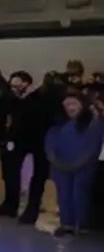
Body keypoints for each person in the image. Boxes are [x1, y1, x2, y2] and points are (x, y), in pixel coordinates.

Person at [45, 92, 103, 237]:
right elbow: (50, 142)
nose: (70, 107)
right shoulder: (58, 123)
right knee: (63, 195)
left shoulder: (93, 123)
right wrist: (54, 159)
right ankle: (67, 224)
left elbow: (93, 146)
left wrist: (80, 163)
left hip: (84, 167)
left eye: (74, 104)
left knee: (79, 195)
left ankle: (81, 224)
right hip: (61, 166)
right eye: (67, 104)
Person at [0, 71, 51, 224]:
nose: (14, 88)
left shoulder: (39, 98)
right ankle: (10, 204)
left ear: (26, 83)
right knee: (10, 170)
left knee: (38, 176)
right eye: (12, 85)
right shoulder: (14, 99)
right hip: (18, 140)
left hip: (38, 140)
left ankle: (32, 209)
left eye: (17, 84)